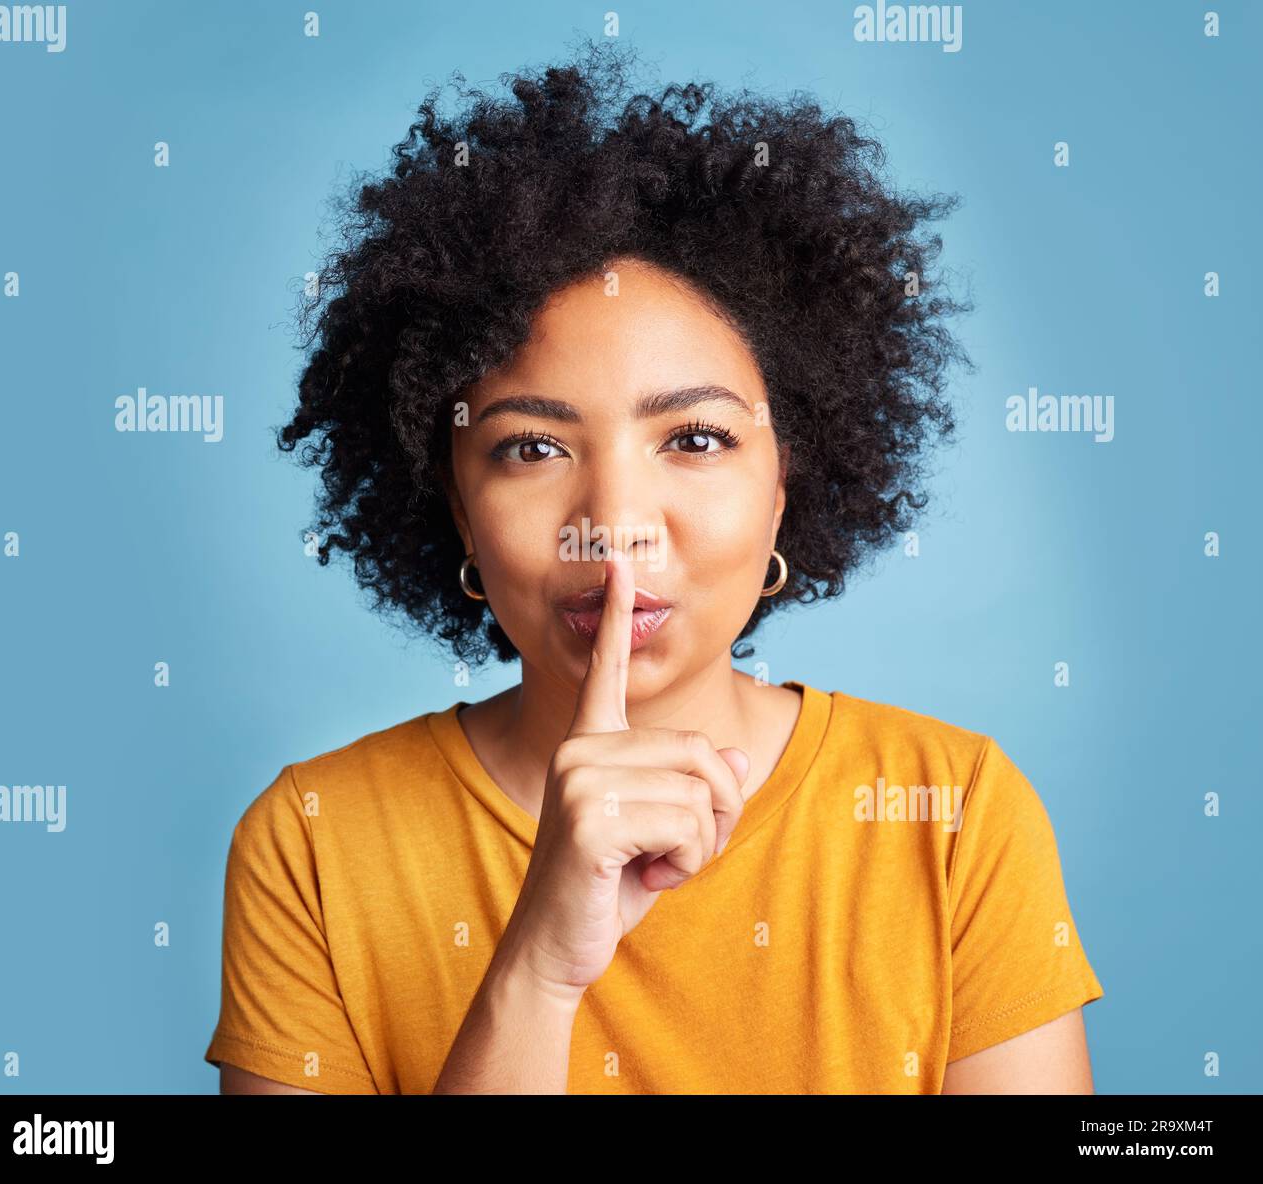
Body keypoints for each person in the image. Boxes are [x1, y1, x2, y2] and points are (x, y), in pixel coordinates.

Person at [204, 41, 1103, 1095]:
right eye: (530, 448)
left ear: (786, 479)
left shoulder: (950, 811)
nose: (615, 526)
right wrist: (538, 967)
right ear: (453, 503)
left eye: (695, 439)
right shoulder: (315, 841)